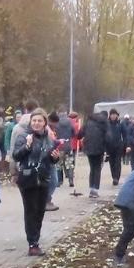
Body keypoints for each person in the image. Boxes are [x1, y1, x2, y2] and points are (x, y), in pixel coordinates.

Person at [11, 109, 61, 256]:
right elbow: (16, 156)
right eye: (34, 121)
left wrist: (55, 157)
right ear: (30, 122)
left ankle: (35, 239)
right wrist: (27, 147)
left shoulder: (48, 139)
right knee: (30, 211)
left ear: (45, 122)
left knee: (40, 211)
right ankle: (32, 244)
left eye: (40, 121)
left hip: (44, 179)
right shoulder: (23, 136)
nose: (36, 123)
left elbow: (50, 160)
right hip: (28, 179)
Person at [81, 107, 111, 197]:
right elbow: (108, 137)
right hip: (99, 149)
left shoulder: (88, 121)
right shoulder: (105, 122)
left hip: (89, 148)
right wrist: (107, 150)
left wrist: (79, 137)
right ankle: (95, 190)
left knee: (92, 168)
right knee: (97, 169)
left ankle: (91, 189)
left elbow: (80, 133)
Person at [52, 109, 79, 196]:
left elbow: (54, 134)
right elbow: (74, 133)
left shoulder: (56, 123)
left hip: (59, 146)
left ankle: (59, 181)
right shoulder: (69, 122)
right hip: (68, 146)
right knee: (69, 164)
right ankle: (71, 180)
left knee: (59, 164)